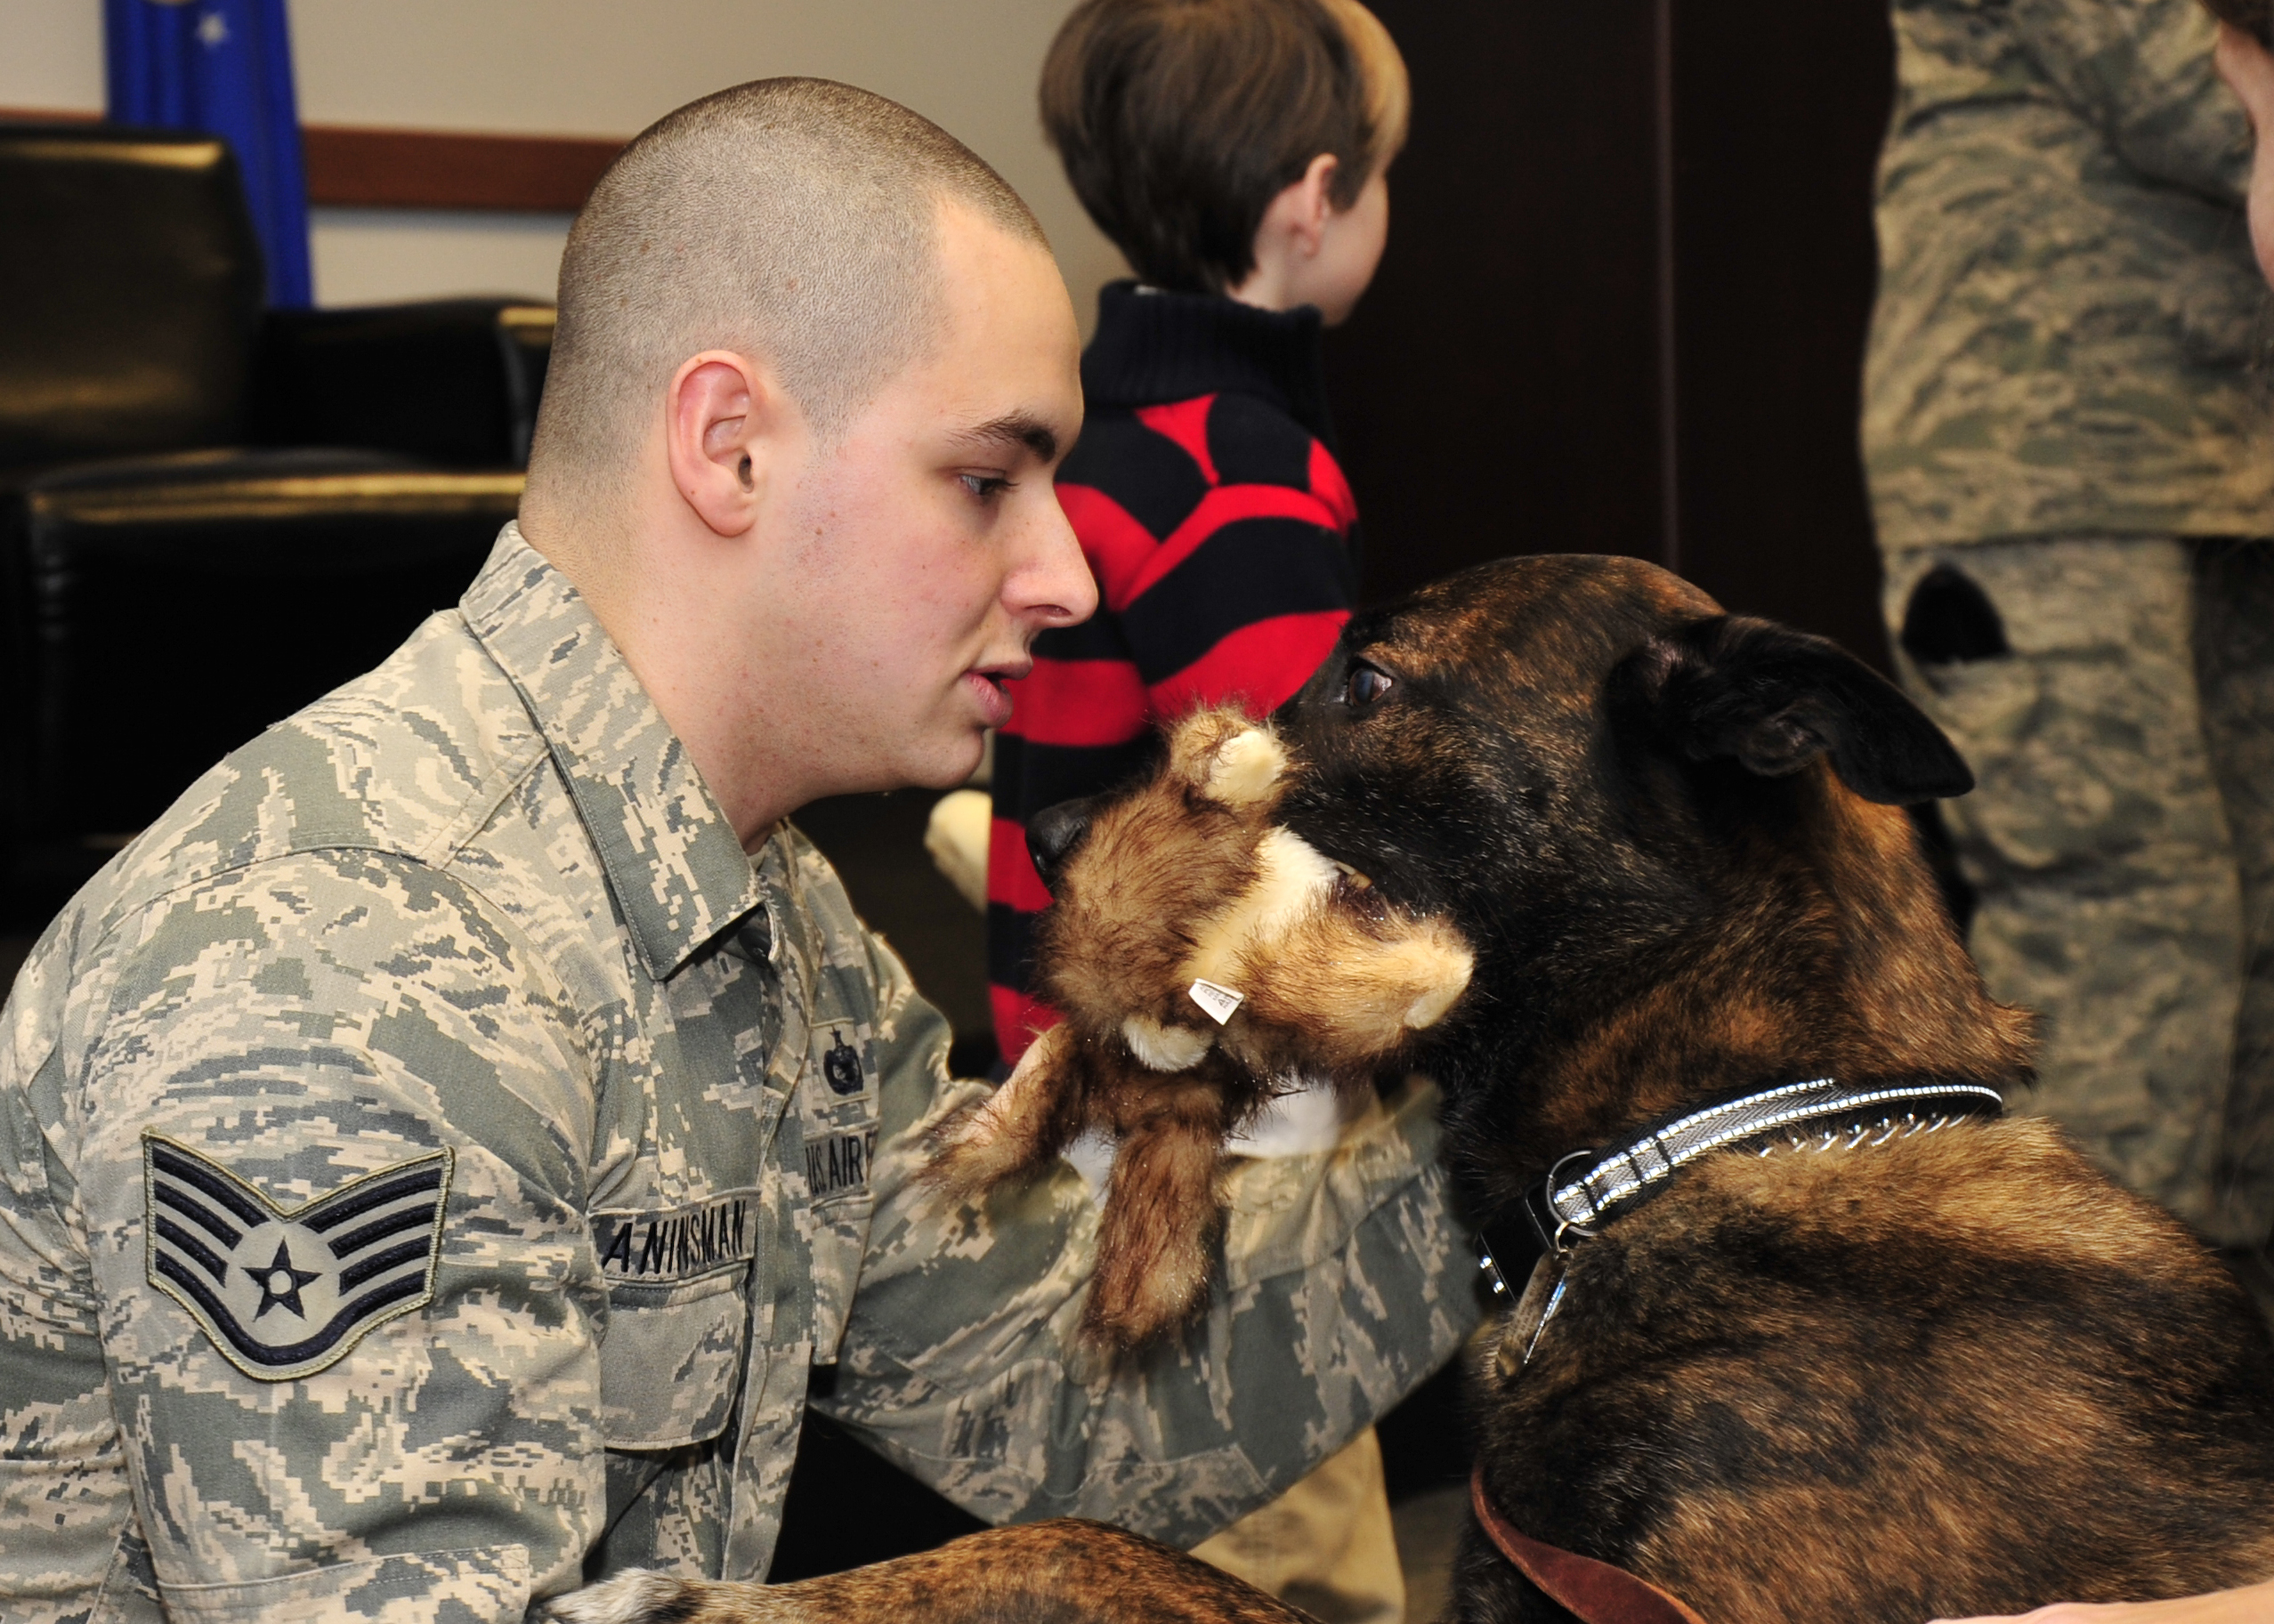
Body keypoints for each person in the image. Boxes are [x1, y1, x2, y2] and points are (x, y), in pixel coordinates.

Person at [0, 79, 1475, 1621]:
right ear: (731, 447)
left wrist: (1543, 1129)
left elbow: (1079, 1392)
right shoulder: (342, 951)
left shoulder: (771, 906)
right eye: (988, 479)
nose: (1061, 573)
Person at [970, 5, 1412, 1618]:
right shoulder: (1250, 471)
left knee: (1151, 1503)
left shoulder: (1095, 429)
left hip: (1077, 1052)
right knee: (1286, 1535)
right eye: (1386, 178)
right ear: (1312, 203)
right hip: (1220, 1083)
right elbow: (1296, 809)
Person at [1863, 0, 2274, 1255]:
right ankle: (2081, 1414)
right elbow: (2183, 82)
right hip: (2034, 461)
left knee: (2252, 935)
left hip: (2224, 457)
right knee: (2131, 928)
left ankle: (2221, 1405)